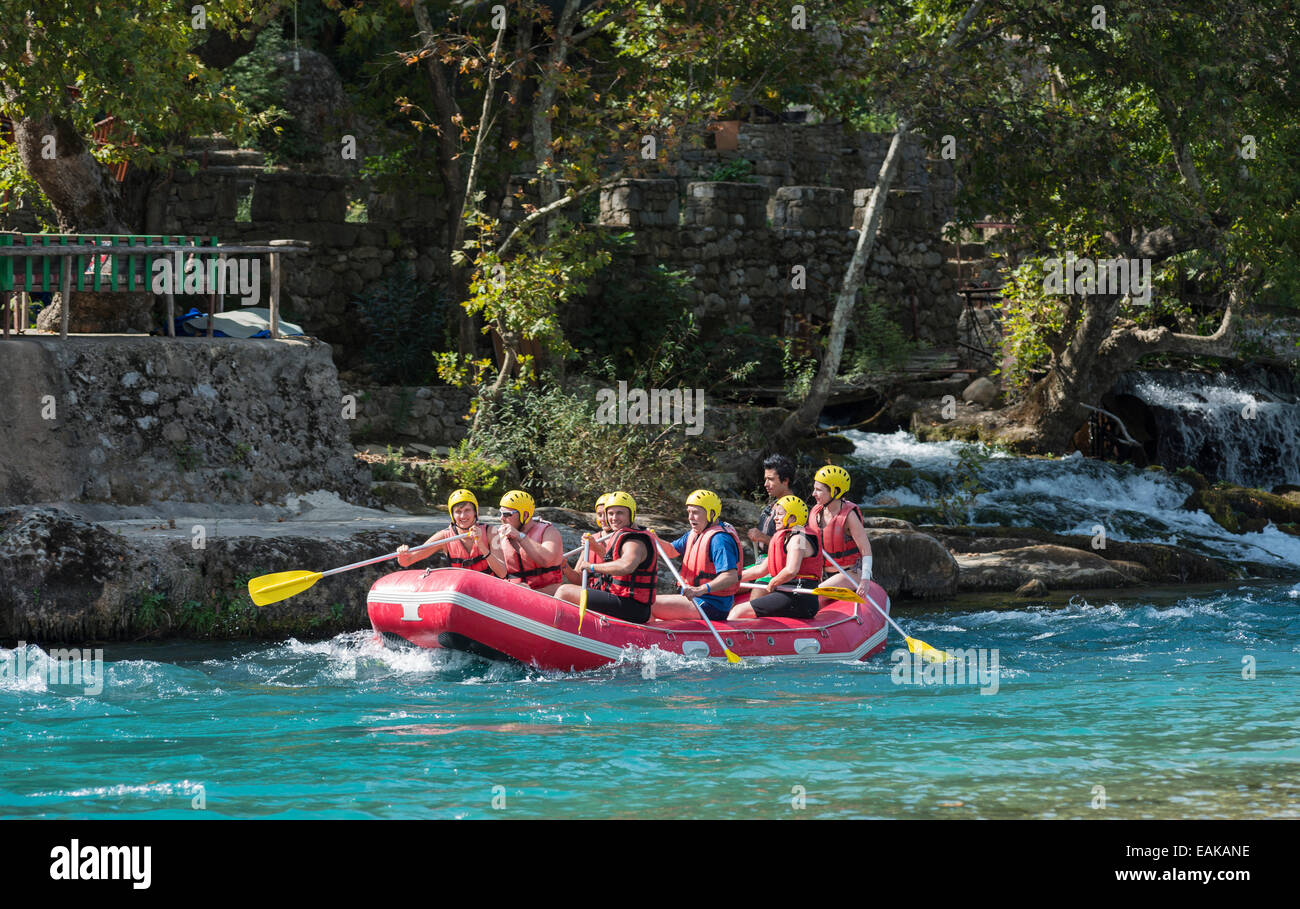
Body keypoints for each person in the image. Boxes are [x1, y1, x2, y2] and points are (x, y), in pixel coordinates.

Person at [555, 491, 658, 623]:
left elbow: (626, 566)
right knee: (570, 591)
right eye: (610, 513)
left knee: (565, 591)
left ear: (631, 514)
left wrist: (592, 566)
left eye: (620, 513)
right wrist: (564, 565)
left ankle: (553, 632)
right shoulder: (620, 535)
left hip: (632, 607)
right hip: (619, 599)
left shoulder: (634, 541)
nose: (614, 518)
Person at [651, 489, 743, 622]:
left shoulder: (720, 539)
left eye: (695, 512)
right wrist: (655, 539)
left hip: (712, 605)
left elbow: (730, 576)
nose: (690, 517)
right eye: (689, 512)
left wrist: (700, 589)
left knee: (649, 604)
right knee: (647, 602)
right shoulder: (695, 533)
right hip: (694, 598)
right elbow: (670, 551)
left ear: (711, 514)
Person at [729, 495, 824, 620]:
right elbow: (760, 570)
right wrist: (731, 579)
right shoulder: (785, 538)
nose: (775, 518)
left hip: (799, 596)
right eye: (775, 514)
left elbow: (791, 570)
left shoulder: (798, 539)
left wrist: (773, 582)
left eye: (779, 514)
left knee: (738, 611)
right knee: (738, 608)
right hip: (786, 592)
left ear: (792, 518)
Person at [806, 464, 873, 597]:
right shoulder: (816, 512)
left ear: (835, 491)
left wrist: (865, 579)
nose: (813, 494)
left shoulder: (849, 516)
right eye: (814, 489)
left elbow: (866, 550)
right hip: (823, 574)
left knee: (811, 597)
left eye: (818, 490)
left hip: (849, 574)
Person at [485, 489, 565, 595]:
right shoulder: (498, 536)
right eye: (501, 513)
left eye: (507, 514)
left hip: (547, 596)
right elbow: (497, 572)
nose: (501, 518)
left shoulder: (549, 532)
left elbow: (546, 560)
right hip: (513, 595)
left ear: (525, 515)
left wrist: (519, 536)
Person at [395, 488, 492, 572]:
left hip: (488, 586)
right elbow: (407, 561)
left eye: (467, 510)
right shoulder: (444, 537)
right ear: (452, 515)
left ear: (475, 512)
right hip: (462, 590)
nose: (463, 516)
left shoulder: (489, 532)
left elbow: (502, 572)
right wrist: (402, 555)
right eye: (458, 512)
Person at [747, 453, 796, 554]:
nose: (765, 484)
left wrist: (763, 538)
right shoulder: (772, 505)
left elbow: (796, 547)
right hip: (764, 562)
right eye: (765, 479)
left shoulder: (796, 509)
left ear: (785, 480)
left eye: (771, 479)